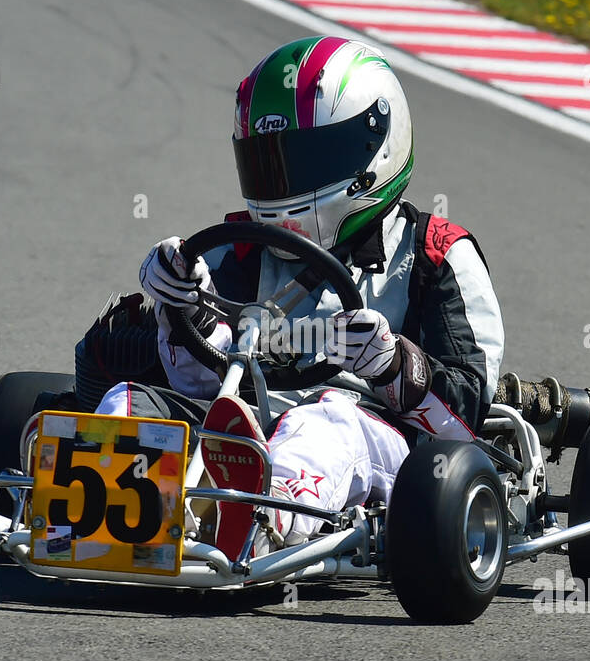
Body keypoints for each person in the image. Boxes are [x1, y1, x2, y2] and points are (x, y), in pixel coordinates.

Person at [94, 36, 504, 560]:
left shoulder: (434, 255)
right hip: (249, 423)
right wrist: (182, 309)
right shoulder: (238, 250)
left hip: (381, 439)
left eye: (304, 160)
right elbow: (202, 384)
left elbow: (467, 417)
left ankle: (262, 523)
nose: (282, 183)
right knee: (127, 401)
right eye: (270, 163)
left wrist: (395, 365)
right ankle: (114, 522)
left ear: (371, 148)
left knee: (323, 419)